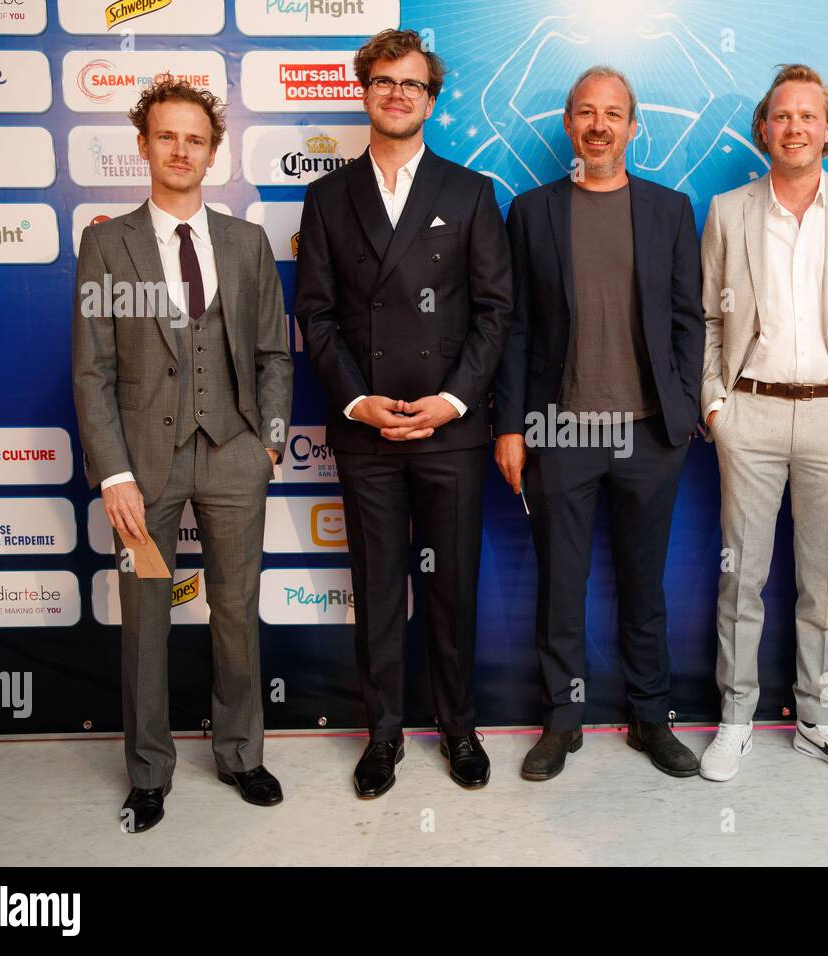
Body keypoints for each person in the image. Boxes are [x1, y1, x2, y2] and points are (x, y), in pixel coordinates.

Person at [72, 77, 293, 832]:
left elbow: (273, 352)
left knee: (235, 612)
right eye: (166, 136)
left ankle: (240, 753)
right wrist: (115, 474)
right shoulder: (106, 243)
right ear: (143, 145)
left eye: (194, 138)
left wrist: (268, 442)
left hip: (234, 457)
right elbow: (92, 370)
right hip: (143, 469)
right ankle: (149, 771)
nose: (180, 149)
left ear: (213, 151)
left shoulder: (245, 242)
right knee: (145, 618)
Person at [295, 29, 511, 798]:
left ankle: (459, 728)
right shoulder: (326, 197)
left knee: (453, 588)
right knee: (378, 589)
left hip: (450, 432)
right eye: (384, 80)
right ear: (364, 90)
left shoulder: (471, 191)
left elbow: (495, 312)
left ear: (431, 100)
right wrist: (359, 401)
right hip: (367, 433)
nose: (397, 93)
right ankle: (382, 733)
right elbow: (315, 317)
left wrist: (451, 400)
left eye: (412, 84)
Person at [493, 66, 705, 781]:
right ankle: (562, 722)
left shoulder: (670, 210)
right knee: (562, 585)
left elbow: (687, 319)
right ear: (568, 124)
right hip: (561, 435)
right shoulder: (532, 212)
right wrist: (512, 427)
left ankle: (651, 718)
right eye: (586, 111)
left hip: (650, 434)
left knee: (644, 587)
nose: (599, 125)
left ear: (632, 127)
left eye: (613, 113)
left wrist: (680, 410)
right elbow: (515, 328)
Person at [697, 64, 828, 782]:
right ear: (764, 131)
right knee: (740, 578)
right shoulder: (728, 210)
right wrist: (716, 404)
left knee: (823, 581)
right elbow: (708, 319)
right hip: (747, 415)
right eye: (782, 117)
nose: (795, 128)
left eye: (809, 117)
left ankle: (819, 720)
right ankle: (736, 719)